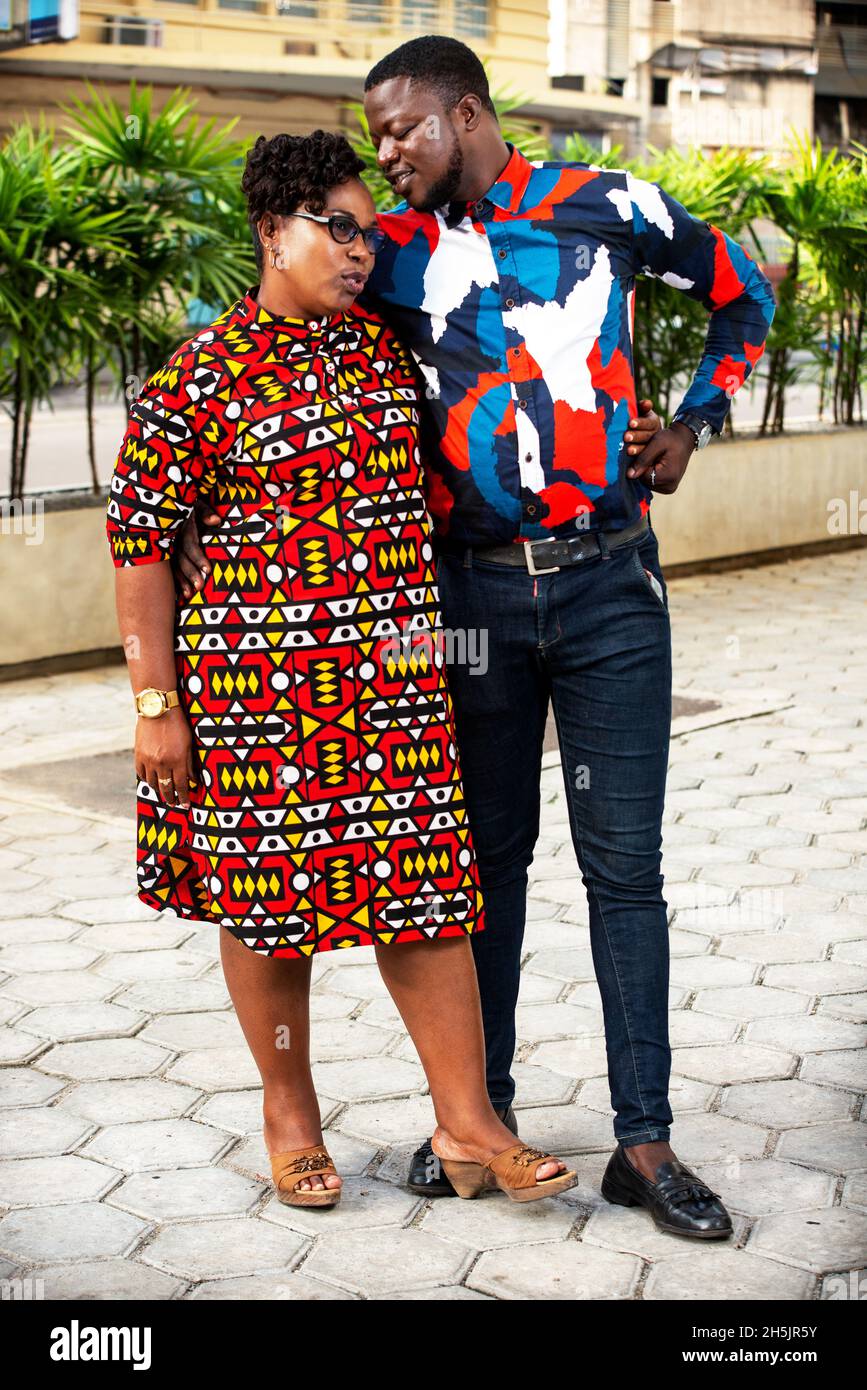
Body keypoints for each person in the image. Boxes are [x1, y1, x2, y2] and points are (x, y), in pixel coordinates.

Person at [177, 36, 770, 1240]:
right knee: (479, 867)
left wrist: (696, 420)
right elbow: (240, 337)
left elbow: (741, 289)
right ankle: (479, 1123)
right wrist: (194, 510)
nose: (385, 155)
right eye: (375, 137)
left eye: (401, 130)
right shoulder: (382, 250)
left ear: (465, 112)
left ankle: (644, 1141)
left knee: (626, 870)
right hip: (471, 610)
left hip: (611, 589)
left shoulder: (606, 204)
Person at [105, 128, 580, 1209]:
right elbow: (137, 543)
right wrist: (155, 707)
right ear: (273, 231)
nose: (363, 250)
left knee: (426, 902)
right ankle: (291, 1117)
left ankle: (470, 1124)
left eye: (370, 231)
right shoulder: (197, 379)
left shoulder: (381, 352)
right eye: (341, 229)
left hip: (399, 688)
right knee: (271, 911)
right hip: (257, 706)